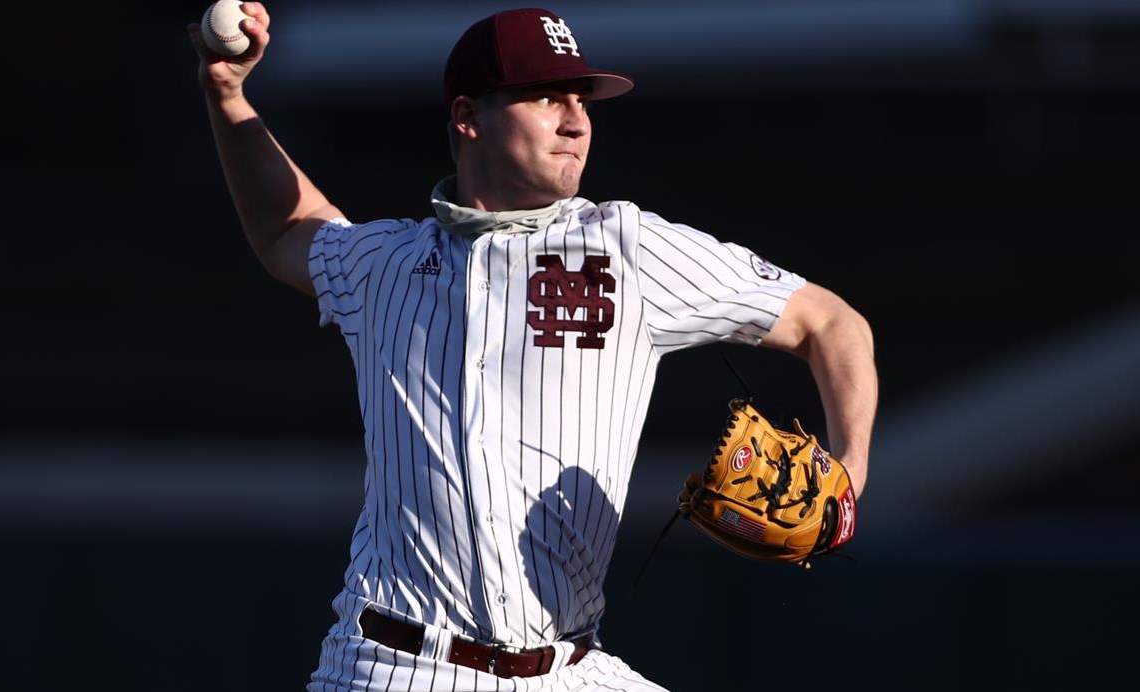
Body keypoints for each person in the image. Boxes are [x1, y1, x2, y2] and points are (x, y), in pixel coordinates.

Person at [189, 4, 877, 691]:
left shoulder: (629, 250)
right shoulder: (385, 264)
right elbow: (285, 230)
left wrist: (848, 472)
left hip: (569, 667)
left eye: (580, 100)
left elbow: (830, 323)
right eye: (545, 97)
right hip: (395, 667)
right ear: (468, 117)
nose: (575, 120)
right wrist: (227, 94)